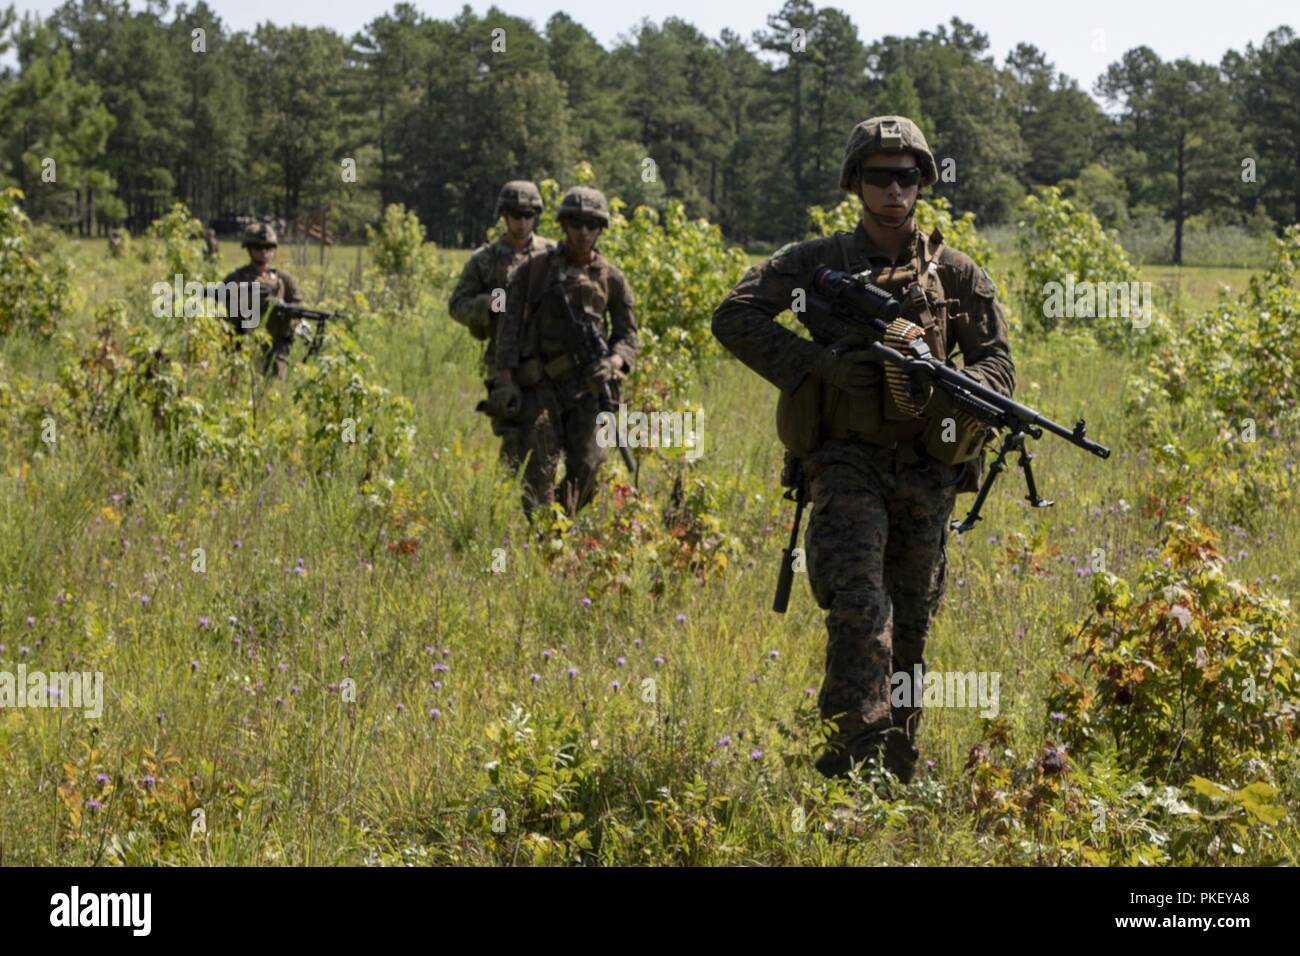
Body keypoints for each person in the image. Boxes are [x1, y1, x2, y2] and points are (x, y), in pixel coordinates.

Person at [712, 116, 1016, 783]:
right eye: (879, 176)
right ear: (856, 182)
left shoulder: (956, 275)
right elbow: (733, 317)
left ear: (922, 184)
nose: (893, 189)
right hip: (846, 460)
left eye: (907, 176)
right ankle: (849, 762)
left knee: (912, 624)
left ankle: (898, 768)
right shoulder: (813, 265)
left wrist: (947, 383)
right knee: (858, 603)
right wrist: (818, 364)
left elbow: (998, 365)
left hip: (929, 469)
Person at [490, 186, 637, 518]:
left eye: (591, 225)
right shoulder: (535, 270)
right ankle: (543, 539)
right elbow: (508, 329)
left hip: (590, 389)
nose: (583, 232)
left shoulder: (612, 278)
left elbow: (628, 335)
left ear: (601, 229)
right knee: (539, 469)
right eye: (576, 224)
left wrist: (613, 363)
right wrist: (506, 379)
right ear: (564, 226)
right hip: (542, 387)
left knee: (590, 467)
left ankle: (562, 524)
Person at [220, 223, 304, 377]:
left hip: (276, 349)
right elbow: (223, 315)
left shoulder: (283, 279)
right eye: (258, 248)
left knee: (275, 388)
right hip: (243, 348)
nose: (264, 252)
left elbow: (297, 308)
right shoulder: (236, 279)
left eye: (268, 248)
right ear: (249, 249)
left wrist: (285, 314)